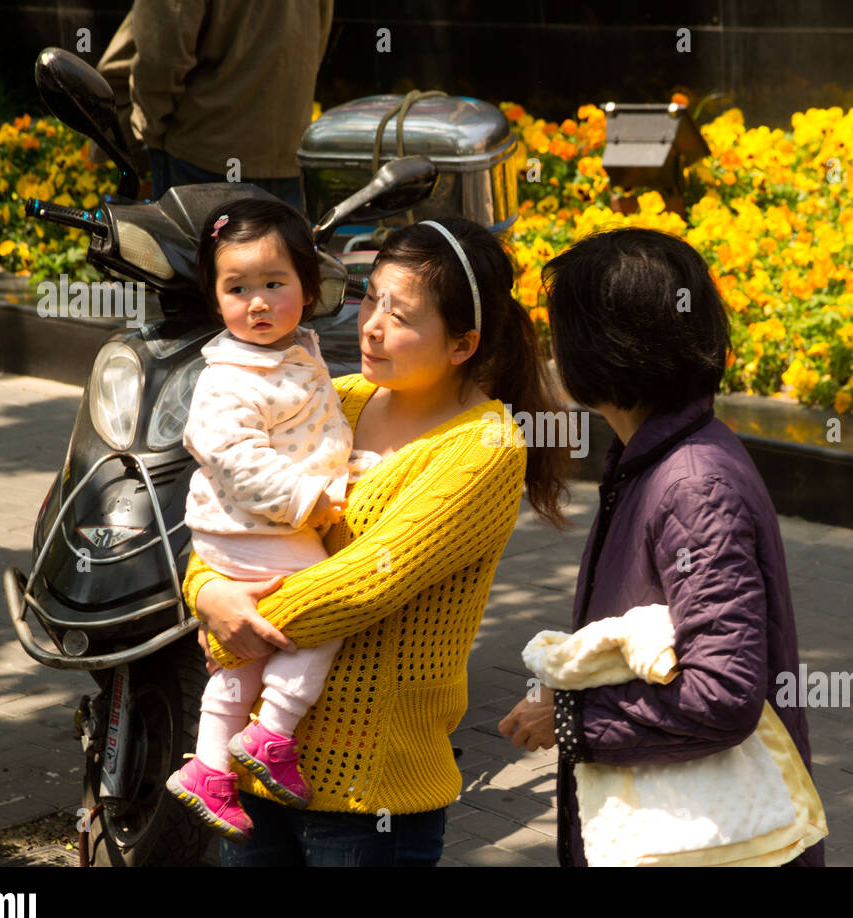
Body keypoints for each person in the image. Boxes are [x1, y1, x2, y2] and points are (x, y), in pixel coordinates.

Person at [182, 217, 570, 866]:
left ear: (461, 344)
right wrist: (206, 588)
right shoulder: (341, 397)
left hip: (370, 797)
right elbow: (231, 510)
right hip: (257, 769)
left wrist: (230, 620)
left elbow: (364, 585)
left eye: (402, 314)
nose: (371, 325)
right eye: (370, 298)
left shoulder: (484, 446)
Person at [498, 227, 825, 867]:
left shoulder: (692, 483)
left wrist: (572, 722)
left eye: (561, 329)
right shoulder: (656, 457)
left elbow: (721, 694)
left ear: (601, 345)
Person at [166, 197, 356, 843]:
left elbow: (312, 434)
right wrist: (309, 500)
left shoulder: (297, 351)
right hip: (254, 530)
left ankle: (210, 767)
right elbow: (239, 462)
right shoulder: (226, 377)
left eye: (274, 284)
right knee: (322, 616)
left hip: (256, 530)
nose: (258, 303)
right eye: (237, 288)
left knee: (240, 657)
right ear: (214, 298)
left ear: (308, 285)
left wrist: (350, 468)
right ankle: (274, 731)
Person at [96, 0, 334, 208]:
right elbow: (317, 40)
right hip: (281, 155)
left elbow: (162, 58)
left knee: (194, 258)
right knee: (276, 257)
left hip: (201, 154)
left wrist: (149, 128)